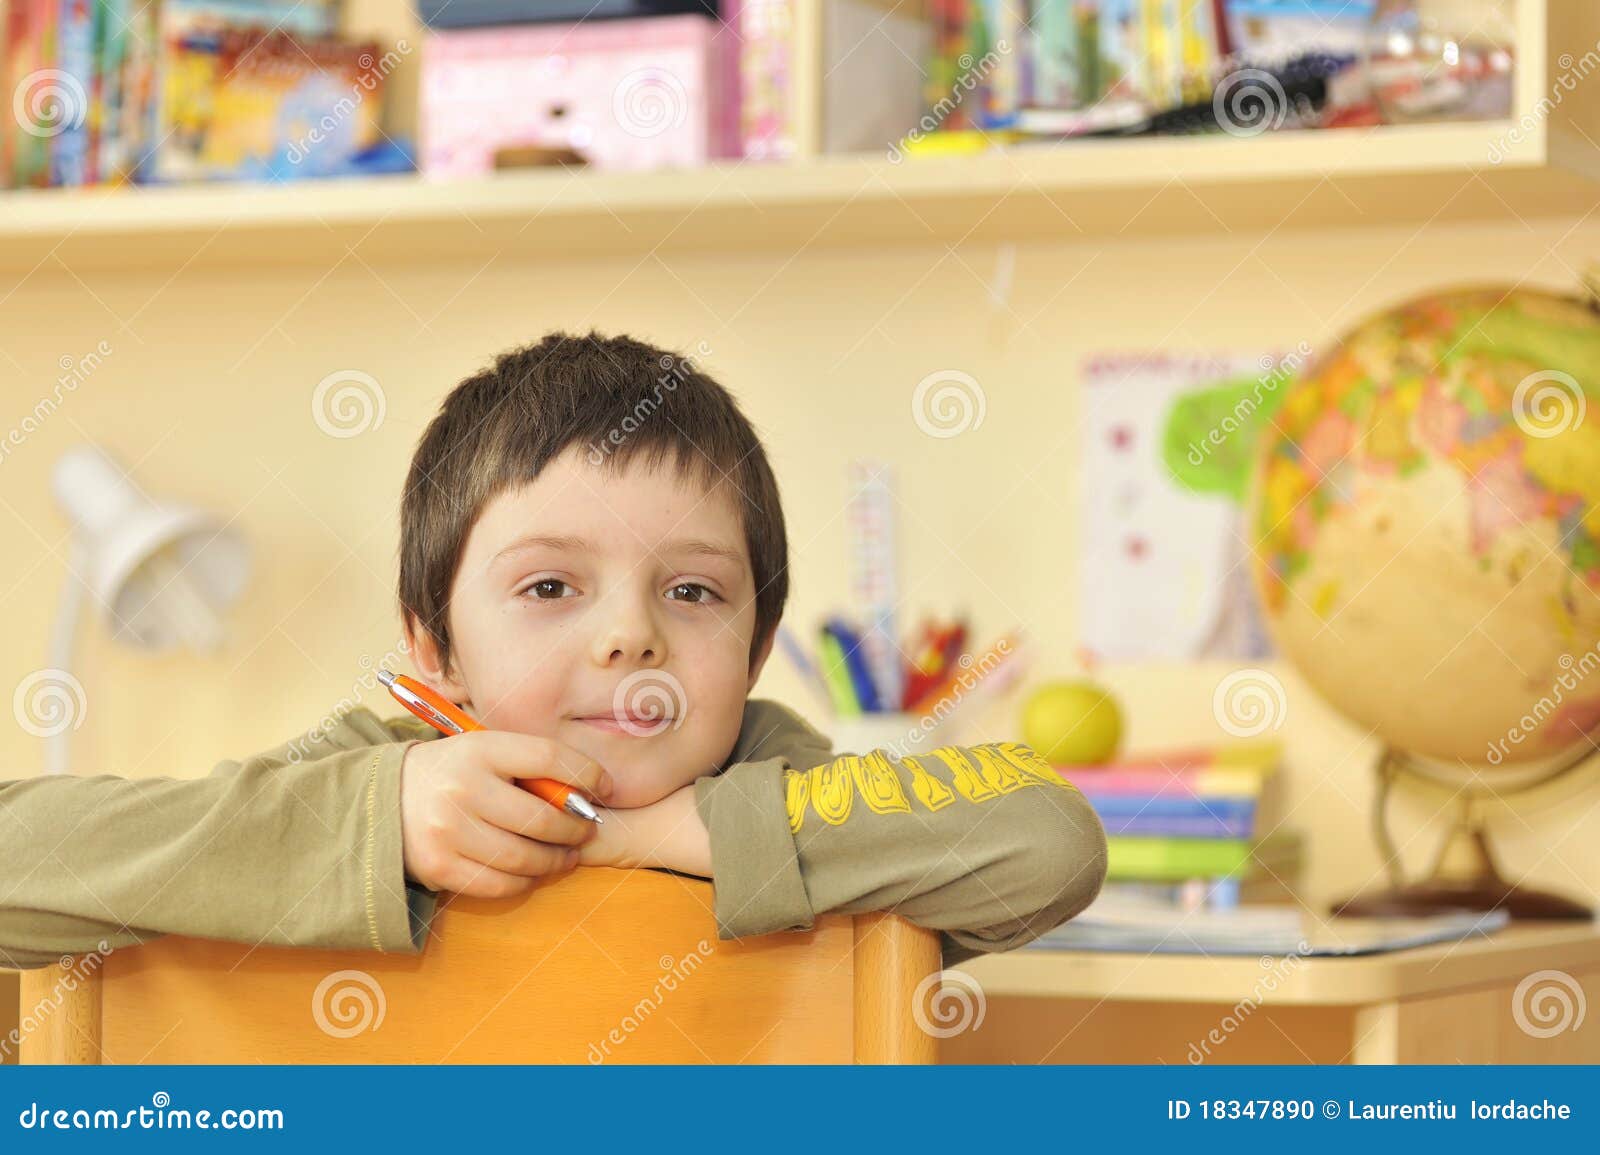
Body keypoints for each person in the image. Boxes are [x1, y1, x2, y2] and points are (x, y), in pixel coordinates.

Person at [0, 332, 1106, 972]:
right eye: (547, 586)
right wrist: (377, 821)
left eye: (691, 590)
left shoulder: (795, 789)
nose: (631, 634)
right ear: (434, 648)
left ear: (757, 650)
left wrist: (643, 832)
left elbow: (1046, 842)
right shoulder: (369, 778)